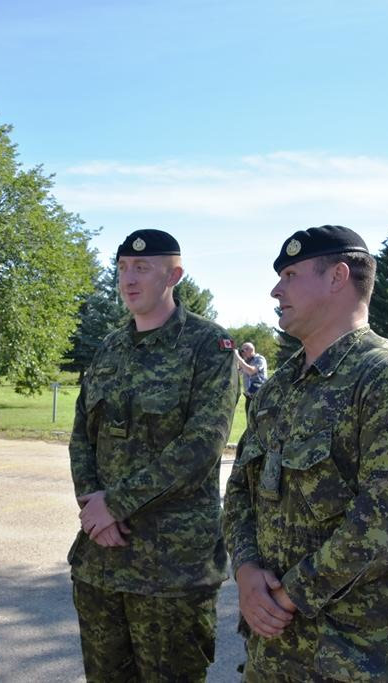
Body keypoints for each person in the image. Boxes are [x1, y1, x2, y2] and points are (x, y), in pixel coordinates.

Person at [223, 226, 388, 682]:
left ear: (337, 277)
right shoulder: (279, 387)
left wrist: (284, 596)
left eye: (289, 274)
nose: (275, 289)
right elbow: (240, 490)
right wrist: (246, 571)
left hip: (363, 656)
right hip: (275, 650)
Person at [68, 229, 239, 682]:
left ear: (174, 275)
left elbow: (203, 444)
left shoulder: (209, 347)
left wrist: (115, 505)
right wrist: (93, 508)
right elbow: (82, 436)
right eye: (122, 267)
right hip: (101, 561)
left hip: (173, 569)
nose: (128, 277)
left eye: (142, 267)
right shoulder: (108, 348)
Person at [234, 342, 268, 413]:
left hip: (259, 396)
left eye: (243, 351)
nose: (242, 353)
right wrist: (236, 361)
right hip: (249, 397)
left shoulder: (259, 359)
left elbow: (251, 371)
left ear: (251, 350)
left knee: (260, 421)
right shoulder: (246, 362)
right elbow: (237, 373)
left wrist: (238, 357)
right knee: (250, 422)